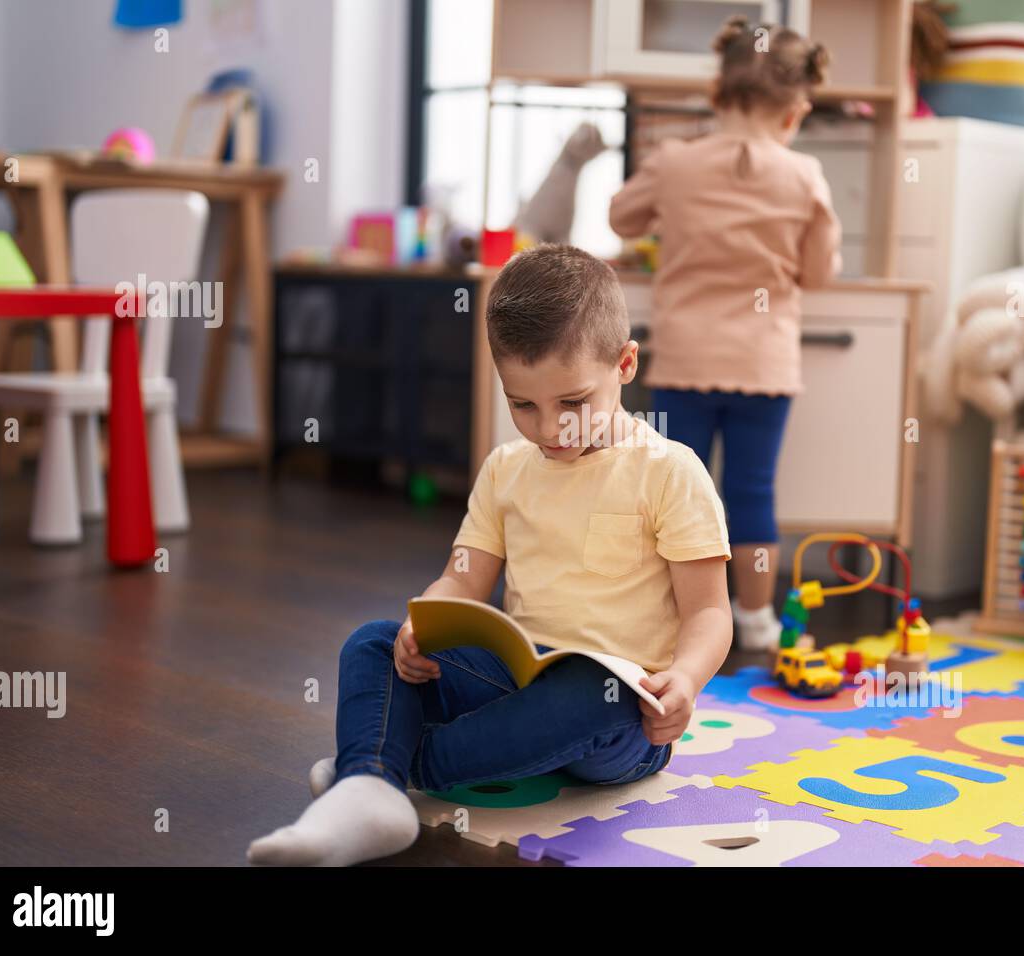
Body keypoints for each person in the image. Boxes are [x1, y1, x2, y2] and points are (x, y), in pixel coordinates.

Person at [247, 244, 732, 866]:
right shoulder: (507, 469)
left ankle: (380, 773)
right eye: (522, 405)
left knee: (593, 687)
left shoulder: (669, 472)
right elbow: (463, 580)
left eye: (573, 402)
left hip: (620, 719)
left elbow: (710, 614)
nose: (550, 428)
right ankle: (371, 789)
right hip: (514, 678)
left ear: (626, 363)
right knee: (374, 640)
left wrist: (684, 681)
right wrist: (427, 623)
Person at [610, 15, 843, 651]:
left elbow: (621, 216)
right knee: (752, 494)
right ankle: (758, 622)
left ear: (717, 94)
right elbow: (820, 273)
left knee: (673, 494)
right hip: (764, 366)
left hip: (685, 360)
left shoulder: (676, 161)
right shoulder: (804, 176)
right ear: (795, 111)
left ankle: (668, 619)